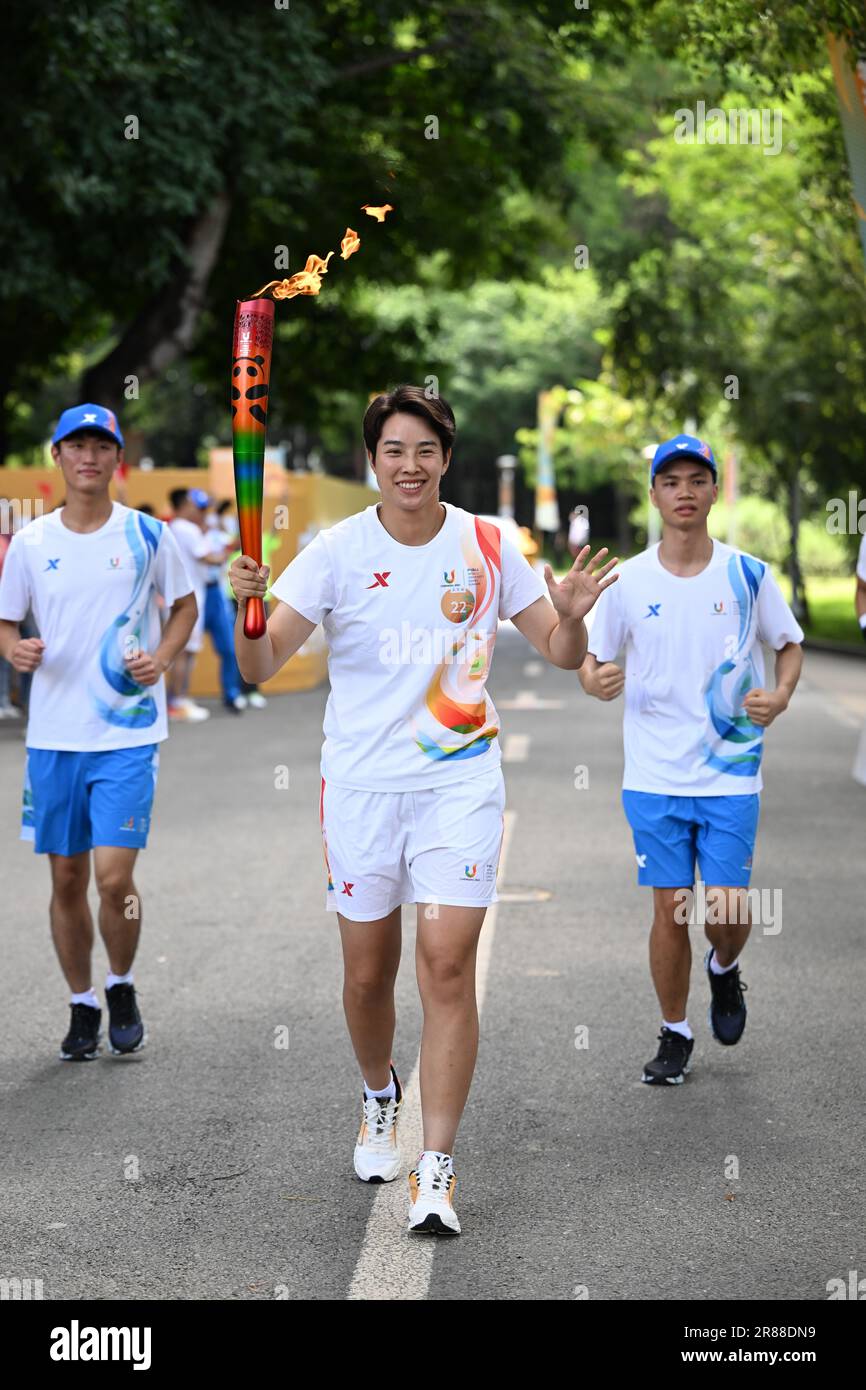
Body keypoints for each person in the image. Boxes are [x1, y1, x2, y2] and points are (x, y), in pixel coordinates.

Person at [229, 384, 617, 1235]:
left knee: (445, 967)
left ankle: (435, 1167)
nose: (410, 465)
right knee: (368, 975)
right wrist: (245, 604)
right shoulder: (335, 551)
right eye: (394, 451)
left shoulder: (487, 542)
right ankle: (379, 1096)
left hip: (458, 783)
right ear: (372, 460)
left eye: (425, 450)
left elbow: (558, 650)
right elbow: (259, 666)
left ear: (447, 457)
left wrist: (578, 622)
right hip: (363, 789)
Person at [578, 433, 803, 1084]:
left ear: (712, 490)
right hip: (653, 777)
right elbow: (591, 663)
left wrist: (782, 694)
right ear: (654, 494)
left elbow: (787, 644)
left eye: (695, 480)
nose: (684, 491)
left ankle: (725, 969)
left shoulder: (747, 575)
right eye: (670, 481)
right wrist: (595, 681)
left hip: (731, 773)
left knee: (728, 911)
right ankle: (675, 1031)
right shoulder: (626, 579)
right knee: (671, 906)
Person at [0, 404, 197, 1060]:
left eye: (101, 447)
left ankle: (121, 983)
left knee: (113, 879)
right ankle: (82, 1002)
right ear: (57, 456)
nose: (89, 457)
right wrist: (13, 650)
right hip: (54, 736)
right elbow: (8, 621)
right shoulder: (30, 544)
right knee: (65, 878)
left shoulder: (146, 535)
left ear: (118, 460)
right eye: (76, 446)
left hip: (127, 734)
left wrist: (162, 659)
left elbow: (185, 606)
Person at [167, 488, 236, 720]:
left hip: (186, 595)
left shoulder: (178, 528)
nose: (203, 513)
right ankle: (177, 702)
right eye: (200, 508)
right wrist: (230, 551)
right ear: (186, 505)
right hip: (190, 597)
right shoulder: (186, 529)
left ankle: (177, 700)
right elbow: (208, 558)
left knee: (185, 651)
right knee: (184, 653)